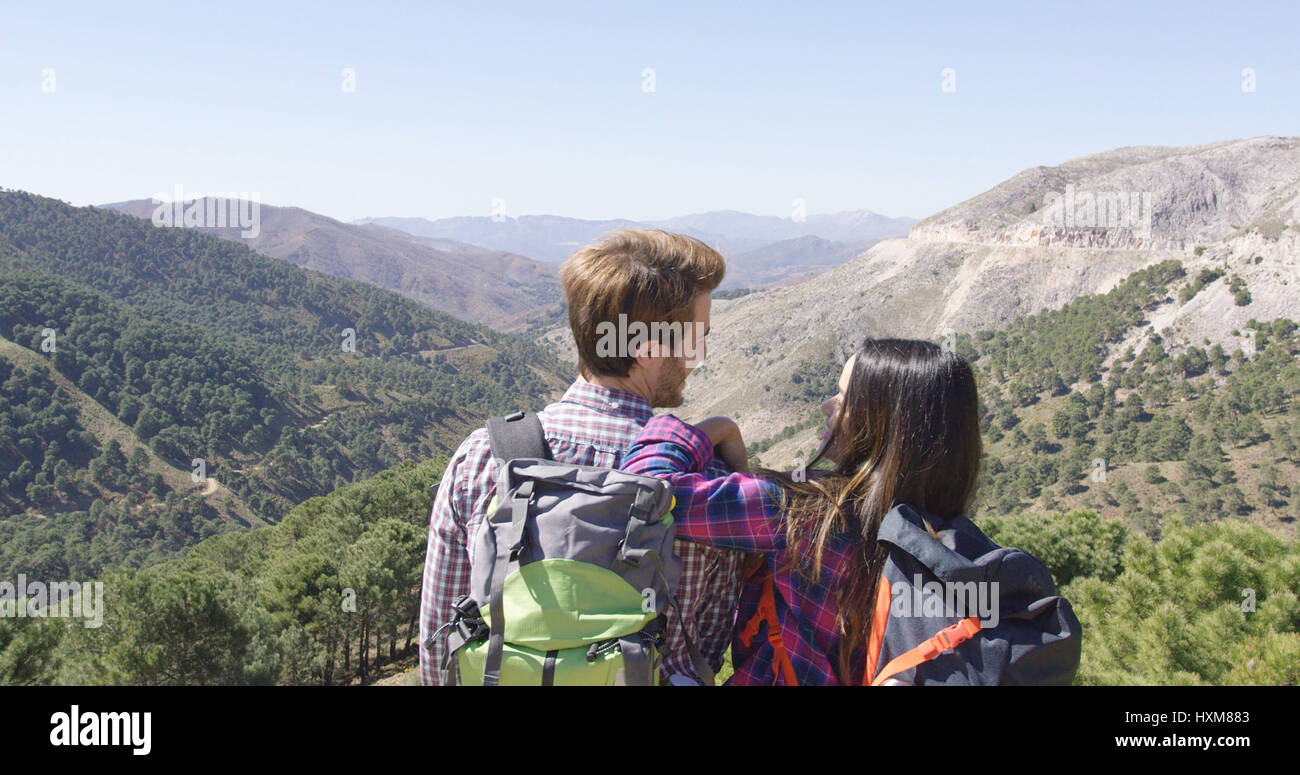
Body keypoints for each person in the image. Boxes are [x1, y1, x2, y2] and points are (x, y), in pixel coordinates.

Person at [418, 228, 747, 685]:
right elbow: (703, 654)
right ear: (648, 351)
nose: (702, 354)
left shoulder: (483, 458)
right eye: (697, 338)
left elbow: (440, 647)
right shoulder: (705, 481)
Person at [621, 337, 986, 684]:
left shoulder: (804, 513)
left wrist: (711, 430)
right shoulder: (954, 544)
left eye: (844, 397)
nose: (826, 405)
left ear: (878, 422)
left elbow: (648, 490)